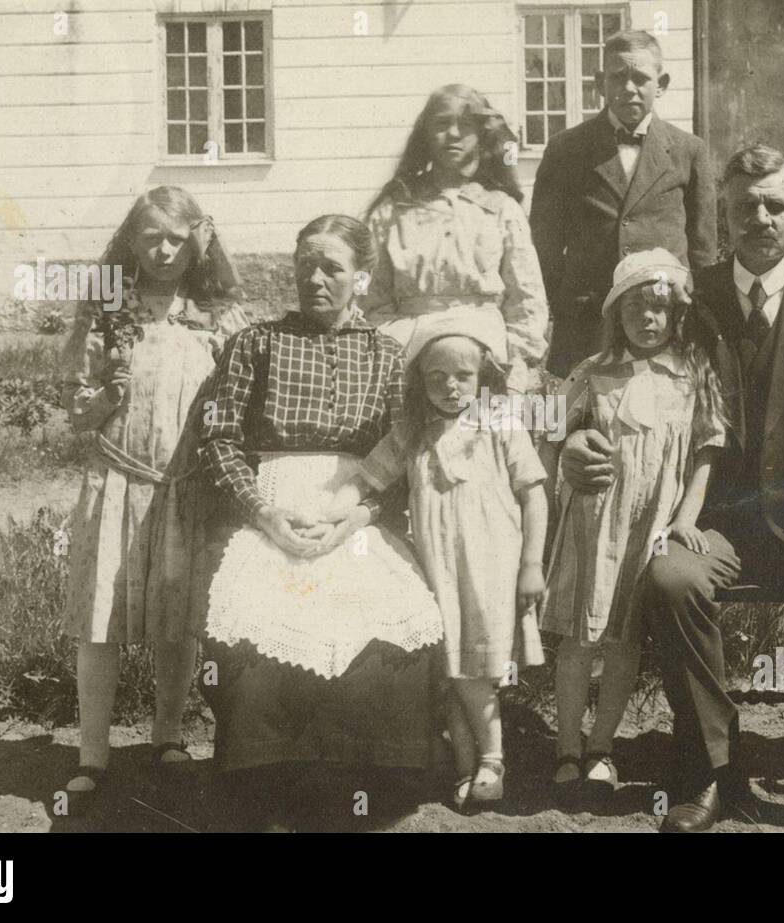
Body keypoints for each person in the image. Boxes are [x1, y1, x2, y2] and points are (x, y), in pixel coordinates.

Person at [559, 144, 784, 832]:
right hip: (719, 518)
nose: (759, 218)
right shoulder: (690, 297)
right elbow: (611, 366)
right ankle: (711, 768)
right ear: (724, 215)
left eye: (774, 204)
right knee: (670, 580)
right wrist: (572, 437)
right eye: (743, 206)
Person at [197, 214, 444, 831]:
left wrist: (359, 517)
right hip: (271, 507)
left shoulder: (390, 357)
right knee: (258, 625)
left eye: (332, 266)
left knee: (384, 622)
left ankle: (362, 779)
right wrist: (261, 511)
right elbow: (220, 438)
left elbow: (404, 455)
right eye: (305, 263)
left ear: (362, 278)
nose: (315, 277)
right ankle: (275, 778)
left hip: (355, 514)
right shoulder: (256, 343)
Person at [59, 185, 250, 815]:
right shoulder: (108, 310)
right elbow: (74, 410)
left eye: (176, 237)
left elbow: (248, 395)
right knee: (100, 619)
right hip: (116, 484)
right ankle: (92, 753)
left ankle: (167, 737)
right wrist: (104, 398)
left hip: (186, 488)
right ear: (131, 241)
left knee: (178, 617)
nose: (164, 251)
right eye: (150, 238)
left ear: (198, 239)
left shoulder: (217, 313)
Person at [325, 313, 549, 811]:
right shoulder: (412, 432)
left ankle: (493, 759)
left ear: (483, 377)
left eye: (463, 377)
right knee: (448, 669)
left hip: (489, 568)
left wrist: (532, 563)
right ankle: (468, 768)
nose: (451, 387)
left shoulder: (500, 424)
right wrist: (328, 511)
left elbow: (535, 496)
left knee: (475, 670)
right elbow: (367, 478)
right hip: (435, 569)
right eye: (437, 377)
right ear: (419, 381)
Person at [540, 249, 728, 801]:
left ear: (676, 316)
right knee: (578, 642)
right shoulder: (592, 373)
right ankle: (566, 748)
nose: (648, 320)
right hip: (591, 527)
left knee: (622, 642)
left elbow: (706, 454)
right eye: (635, 310)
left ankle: (602, 746)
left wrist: (684, 520)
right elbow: (550, 438)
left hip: (650, 531)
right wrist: (561, 484)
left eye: (659, 311)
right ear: (615, 314)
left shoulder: (693, 376)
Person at [530, 29, 717, 379]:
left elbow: (704, 252)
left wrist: (696, 315)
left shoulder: (690, 151)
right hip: (587, 323)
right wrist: (562, 309)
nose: (629, 88)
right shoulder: (565, 149)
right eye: (618, 77)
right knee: (567, 420)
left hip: (663, 319)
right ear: (600, 82)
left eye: (641, 78)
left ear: (660, 84)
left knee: (663, 417)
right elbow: (545, 249)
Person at [363, 84, 548, 393]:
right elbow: (368, 291)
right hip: (409, 340)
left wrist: (518, 359)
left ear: (482, 135)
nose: (453, 134)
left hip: (485, 341)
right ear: (424, 133)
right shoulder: (395, 208)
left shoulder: (502, 208)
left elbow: (526, 295)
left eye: (465, 124)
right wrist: (388, 344)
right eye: (441, 123)